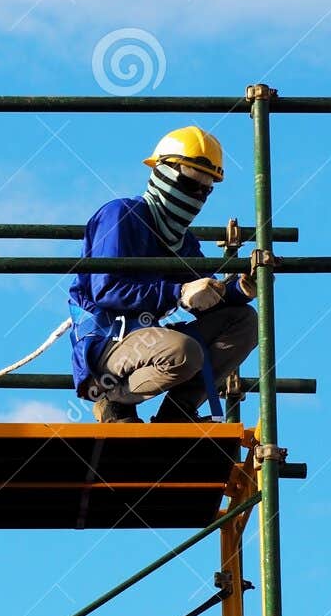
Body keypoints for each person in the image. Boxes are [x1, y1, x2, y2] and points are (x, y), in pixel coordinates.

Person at [68, 126, 258, 423]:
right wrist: (179, 293)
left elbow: (206, 295)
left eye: (206, 190)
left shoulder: (183, 242)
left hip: (152, 344)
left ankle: (178, 411)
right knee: (184, 352)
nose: (198, 196)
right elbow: (106, 290)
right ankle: (112, 401)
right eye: (190, 184)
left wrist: (236, 289)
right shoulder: (122, 215)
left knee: (244, 320)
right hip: (108, 344)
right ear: (164, 173)